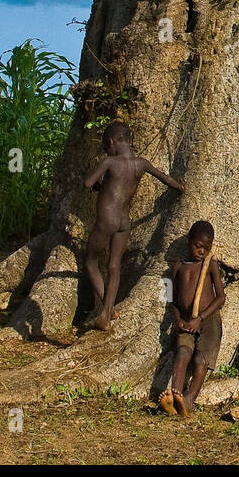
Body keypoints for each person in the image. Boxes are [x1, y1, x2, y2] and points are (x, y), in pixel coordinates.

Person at [84, 121, 184, 331]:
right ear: (130, 141)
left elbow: (88, 183)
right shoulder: (142, 164)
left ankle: (106, 311)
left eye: (106, 146)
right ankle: (109, 311)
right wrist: (180, 186)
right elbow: (165, 179)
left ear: (111, 142)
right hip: (124, 221)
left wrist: (100, 186)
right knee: (114, 266)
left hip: (107, 218)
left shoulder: (110, 162)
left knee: (91, 262)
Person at [160, 221, 226, 416]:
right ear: (189, 241)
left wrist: (201, 317)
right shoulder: (177, 267)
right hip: (186, 320)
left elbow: (221, 297)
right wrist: (178, 319)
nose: (201, 251)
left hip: (208, 320)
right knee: (182, 354)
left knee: (200, 360)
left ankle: (189, 400)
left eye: (206, 248)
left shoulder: (210, 265)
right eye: (198, 246)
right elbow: (171, 299)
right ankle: (174, 395)